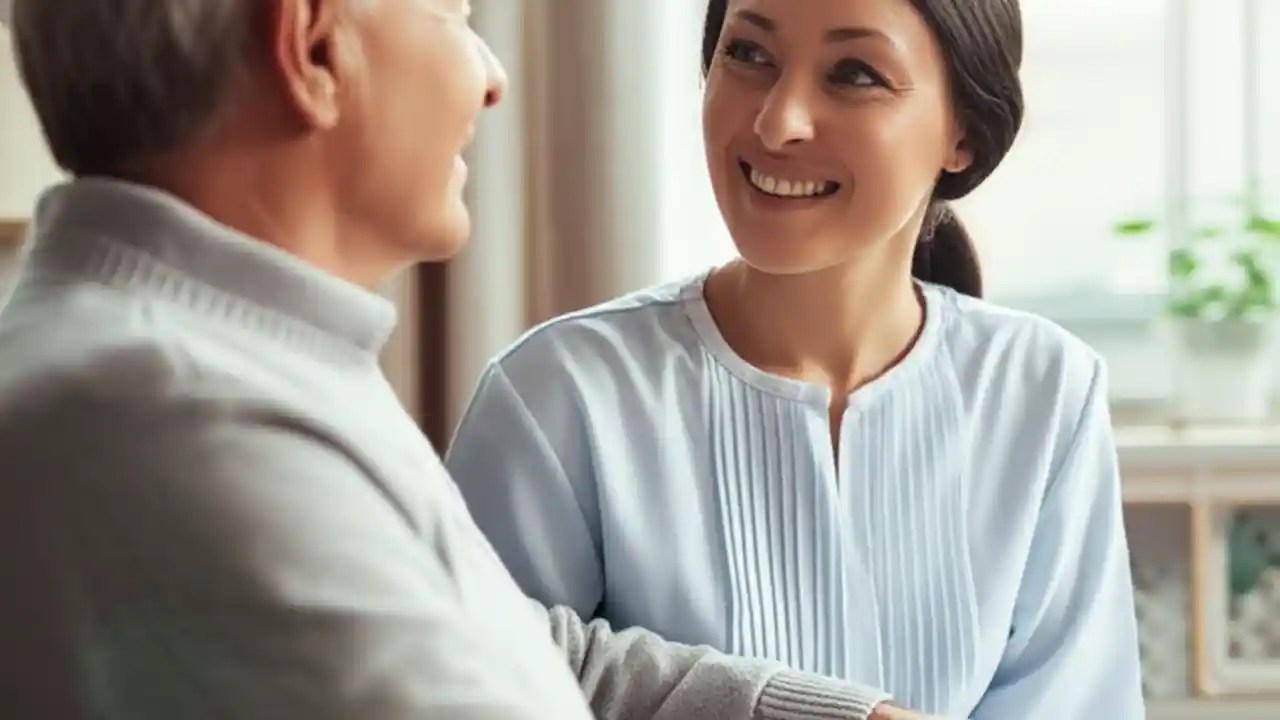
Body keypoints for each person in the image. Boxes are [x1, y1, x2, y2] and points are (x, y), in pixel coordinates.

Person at [0, 0, 916, 718]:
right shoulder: (183, 428)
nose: (491, 79)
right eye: (454, 14)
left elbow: (501, 641)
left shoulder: (211, 370)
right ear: (313, 49)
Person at [446, 0, 1146, 717]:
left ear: (963, 133)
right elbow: (458, 685)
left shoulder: (1043, 390)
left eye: (855, 73)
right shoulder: (558, 392)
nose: (777, 122)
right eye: (748, 54)